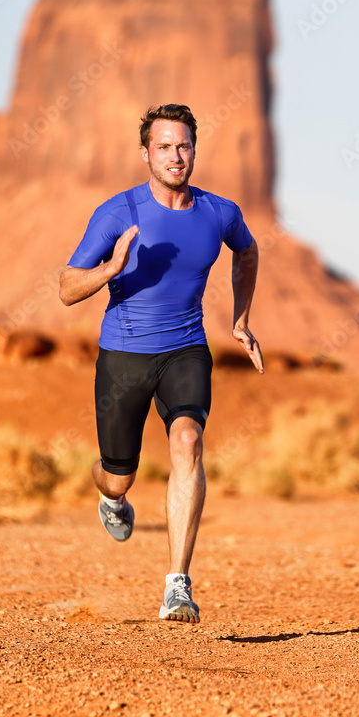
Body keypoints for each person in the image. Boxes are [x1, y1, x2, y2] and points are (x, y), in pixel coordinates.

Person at [59, 103, 262, 623]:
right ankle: (110, 494)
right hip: (123, 356)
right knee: (118, 477)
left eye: (184, 146)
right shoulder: (117, 213)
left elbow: (247, 251)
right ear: (145, 153)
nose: (176, 156)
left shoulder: (219, 212)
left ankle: (177, 585)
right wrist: (111, 267)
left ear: (195, 149)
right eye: (165, 147)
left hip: (185, 349)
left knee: (188, 441)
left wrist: (240, 320)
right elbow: (65, 289)